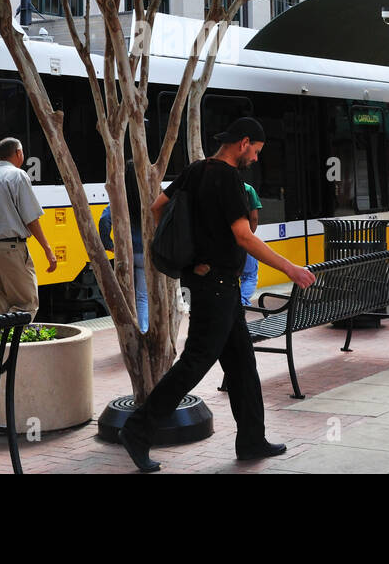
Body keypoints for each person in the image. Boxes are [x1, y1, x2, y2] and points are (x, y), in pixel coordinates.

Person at [118, 117, 316, 473]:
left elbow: (157, 208)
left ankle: (252, 439)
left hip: (215, 285)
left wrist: (192, 258)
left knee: (242, 364)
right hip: (218, 289)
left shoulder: (195, 170)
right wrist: (291, 269)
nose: (255, 159)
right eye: (255, 152)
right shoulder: (228, 180)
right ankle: (137, 430)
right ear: (243, 143)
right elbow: (244, 235)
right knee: (194, 363)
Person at [0, 137, 58, 320]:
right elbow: (31, 218)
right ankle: (16, 345)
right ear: (18, 153)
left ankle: (4, 346)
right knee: (26, 304)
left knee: (0, 308)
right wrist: (48, 249)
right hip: (12, 248)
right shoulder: (18, 176)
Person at [98, 163, 149, 333]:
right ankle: (142, 330)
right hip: (144, 253)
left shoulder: (120, 198)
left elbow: (104, 220)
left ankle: (130, 334)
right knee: (142, 297)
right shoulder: (148, 196)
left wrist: (109, 245)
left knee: (128, 297)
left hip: (125, 255)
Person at [238, 181, 261, 305]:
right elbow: (254, 218)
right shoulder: (248, 189)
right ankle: (241, 302)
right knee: (249, 276)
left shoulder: (213, 187)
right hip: (243, 238)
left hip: (220, 242)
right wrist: (249, 237)